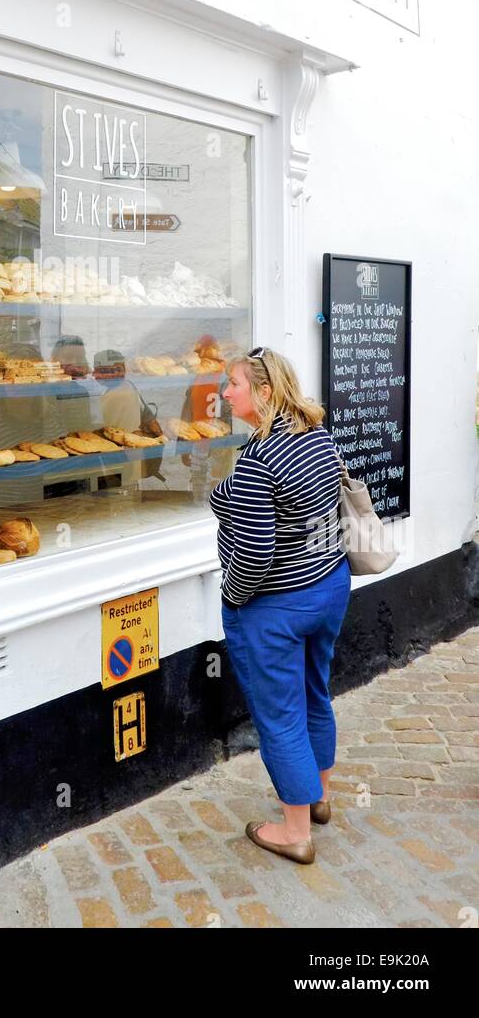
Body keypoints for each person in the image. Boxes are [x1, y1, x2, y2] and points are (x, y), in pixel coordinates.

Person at [209, 345, 349, 865]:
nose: (225, 393)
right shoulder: (315, 436)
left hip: (279, 606)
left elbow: (253, 553)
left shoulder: (260, 459)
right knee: (316, 693)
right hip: (330, 586)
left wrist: (234, 598)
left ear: (264, 393)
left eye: (235, 385)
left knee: (279, 714)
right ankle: (320, 799)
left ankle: (294, 832)